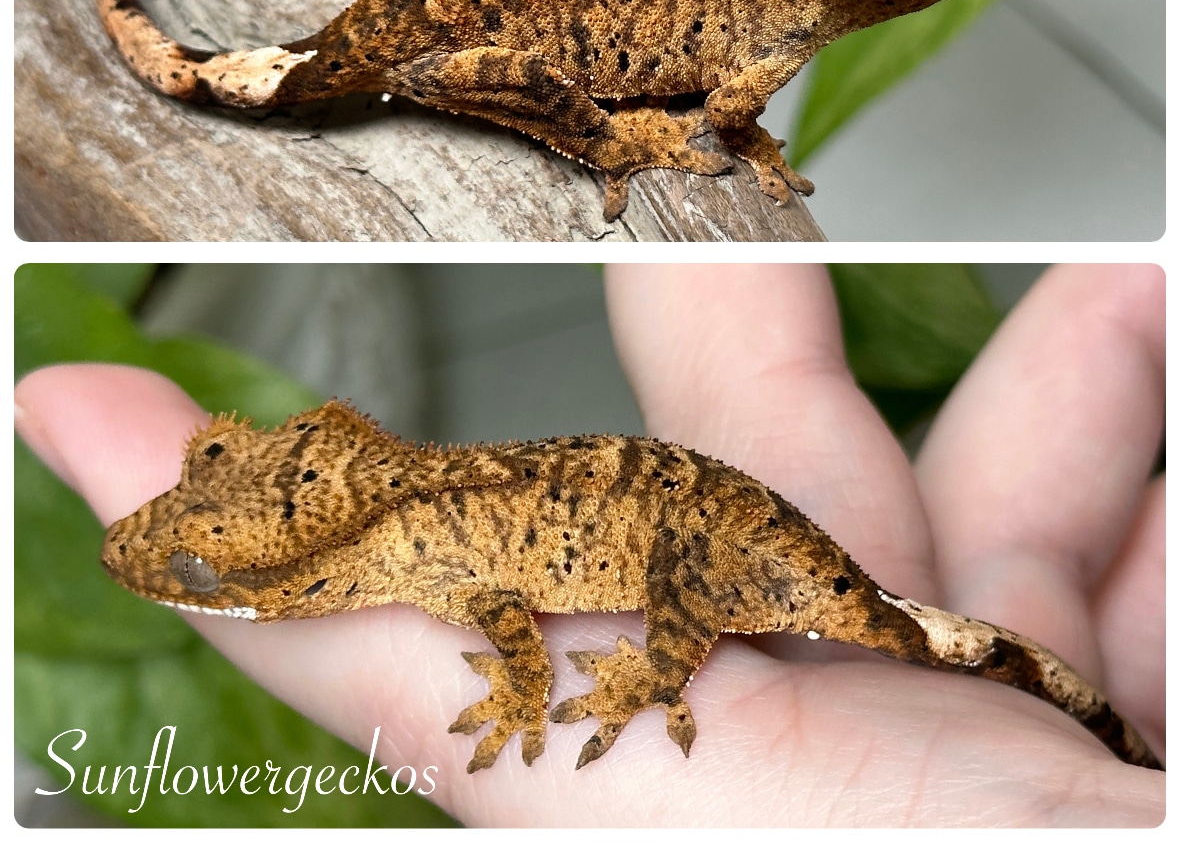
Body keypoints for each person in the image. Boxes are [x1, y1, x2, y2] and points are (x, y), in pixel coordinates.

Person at [15, 264, 1164, 825]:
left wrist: (544, 691)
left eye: (204, 571)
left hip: (735, 550)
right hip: (709, 511)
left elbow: (514, 630)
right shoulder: (404, 534)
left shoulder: (422, 560)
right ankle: (1113, 735)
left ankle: (1112, 732)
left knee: (695, 567)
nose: (183, 579)